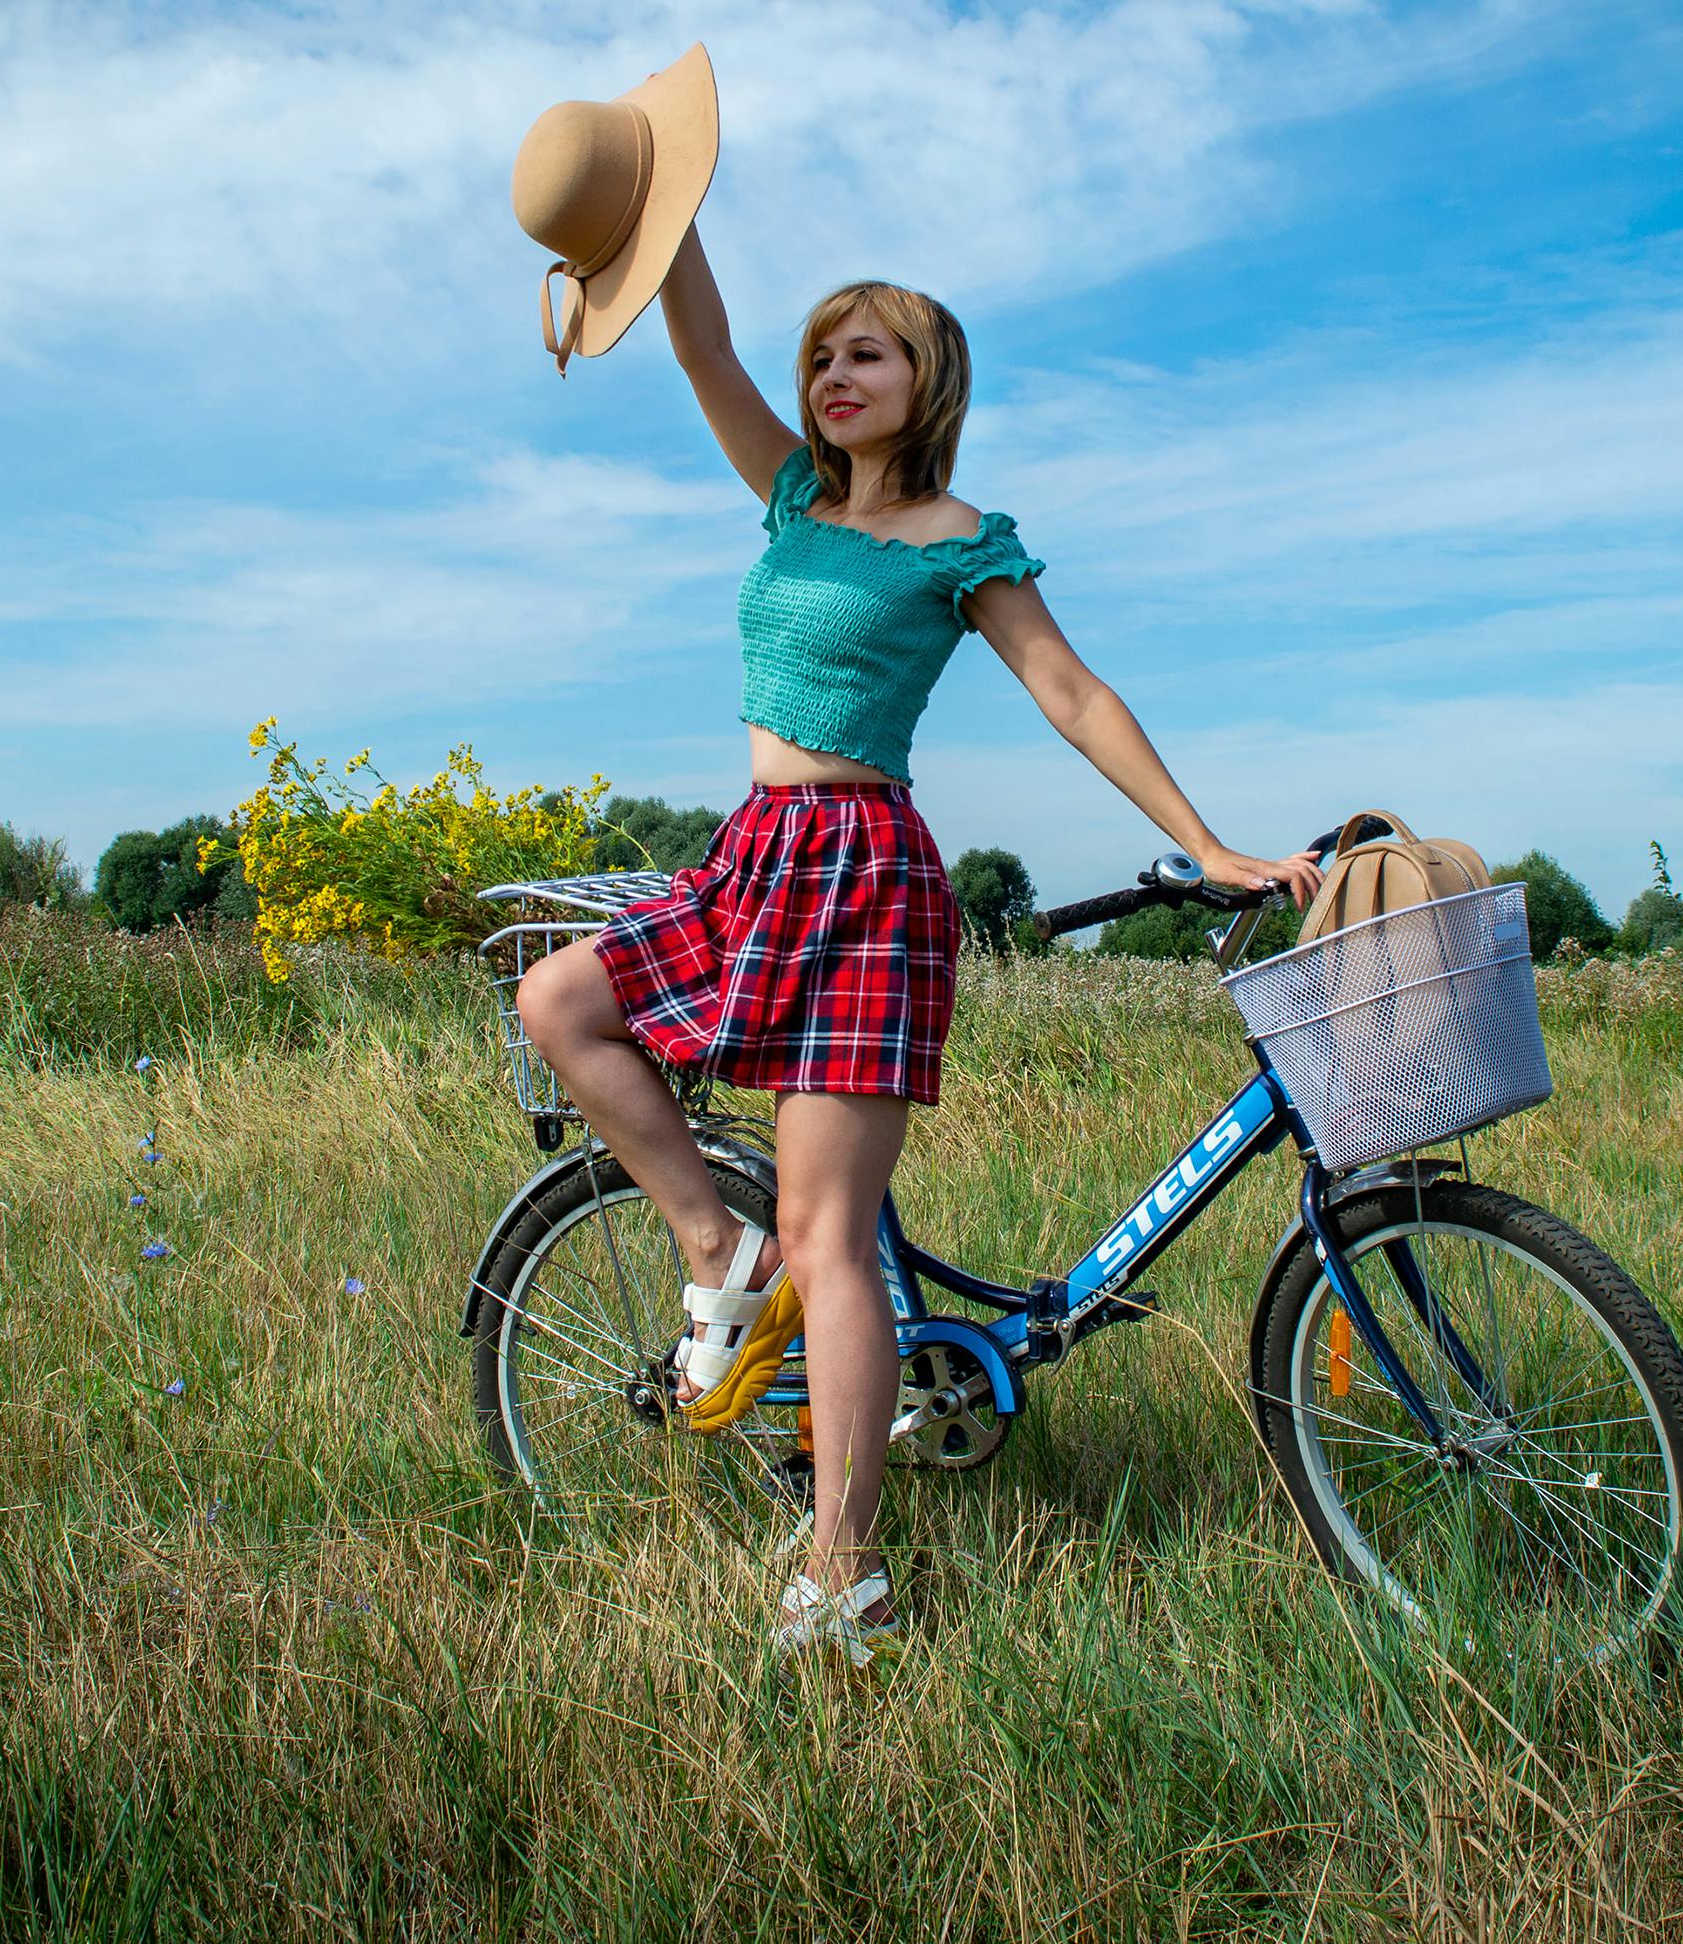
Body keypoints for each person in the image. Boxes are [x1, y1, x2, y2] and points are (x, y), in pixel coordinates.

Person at [515, 219, 1320, 1664]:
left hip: (868, 873)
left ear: (927, 377)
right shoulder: (787, 499)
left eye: (864, 353)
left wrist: (1206, 846)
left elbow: (1068, 689)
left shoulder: (960, 542)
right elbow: (698, 338)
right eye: (820, 353)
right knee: (559, 1002)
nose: (832, 374)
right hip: (752, 857)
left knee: (836, 1241)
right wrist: (666, 210)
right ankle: (716, 1243)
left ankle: (841, 1570)